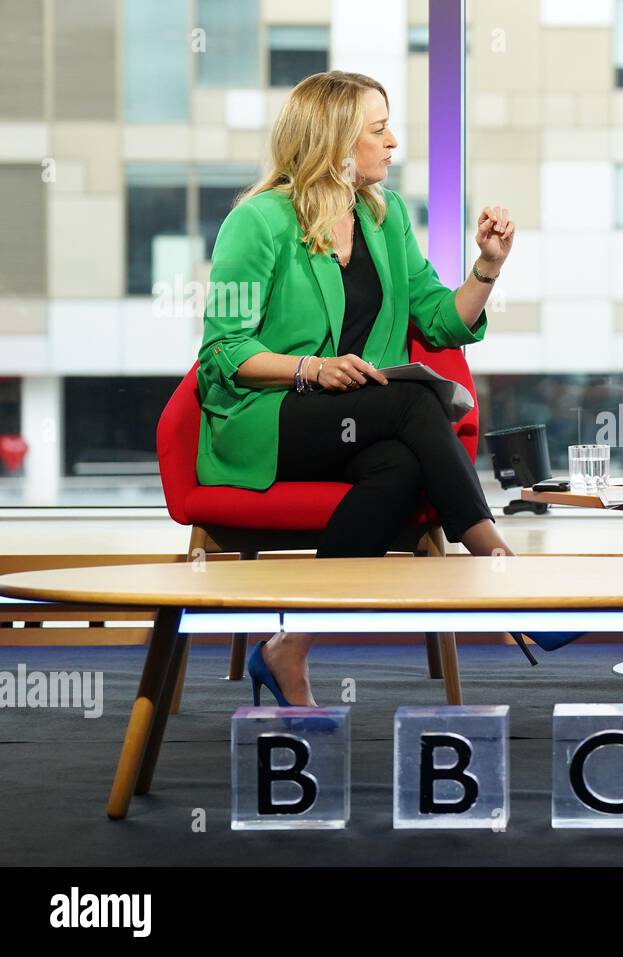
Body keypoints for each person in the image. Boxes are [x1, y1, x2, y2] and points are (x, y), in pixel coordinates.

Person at [196, 71, 566, 707]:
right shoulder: (256, 222)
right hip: (271, 418)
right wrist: (311, 368)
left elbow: (440, 320)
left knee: (400, 467)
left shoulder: (383, 217)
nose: (393, 142)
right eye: (378, 129)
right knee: (416, 400)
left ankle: (288, 648)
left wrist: (487, 266)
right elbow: (223, 351)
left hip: (361, 420)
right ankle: (500, 570)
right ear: (336, 142)